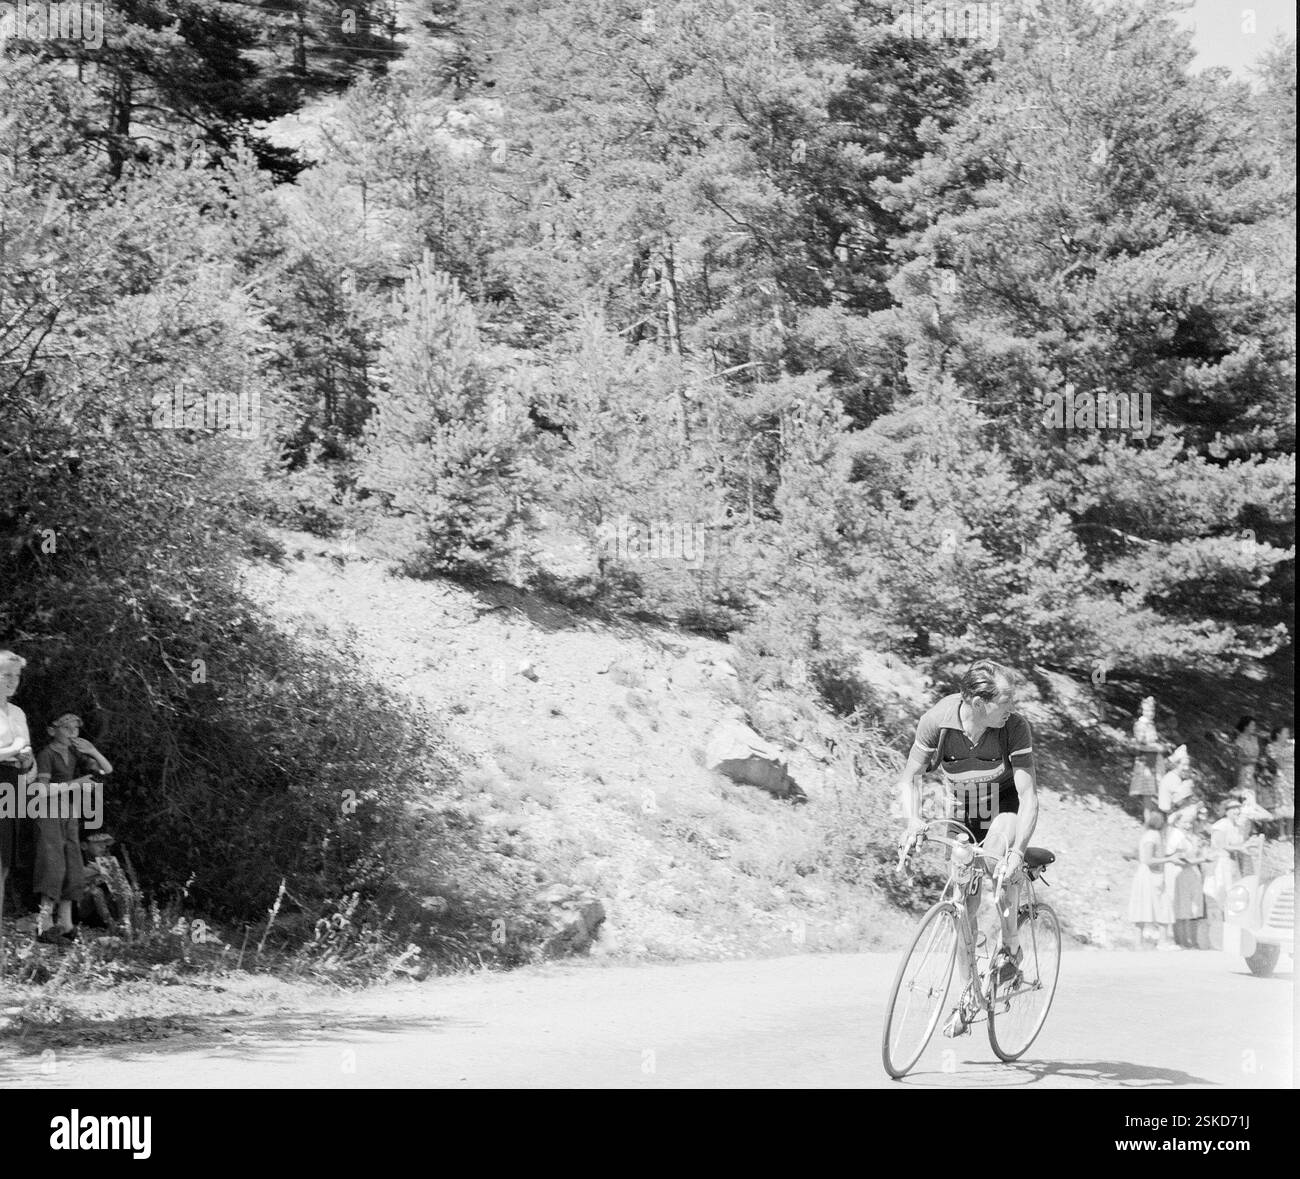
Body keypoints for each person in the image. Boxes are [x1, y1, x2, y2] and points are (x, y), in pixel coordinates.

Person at [895, 659, 1039, 1037]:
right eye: (1005, 700)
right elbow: (910, 778)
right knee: (964, 907)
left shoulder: (1014, 728)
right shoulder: (937, 722)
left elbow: (1028, 796)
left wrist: (1018, 851)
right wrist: (913, 821)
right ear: (977, 701)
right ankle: (970, 992)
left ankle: (1010, 950)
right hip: (961, 813)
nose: (1012, 707)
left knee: (999, 863)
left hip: (1003, 807)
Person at [32, 713, 113, 943]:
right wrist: (77, 783)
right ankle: (44, 924)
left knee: (72, 864)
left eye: (75, 728)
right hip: (47, 812)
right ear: (52, 730)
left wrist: (92, 751)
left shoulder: (75, 754)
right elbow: (41, 790)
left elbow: (106, 770)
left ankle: (65, 925)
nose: (71, 732)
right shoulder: (47, 754)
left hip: (68, 814)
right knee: (53, 865)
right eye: (65, 727)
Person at [0, 650, 36, 933]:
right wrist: (14, 749)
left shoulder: (18, 712)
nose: (14, 681)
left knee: (3, 863)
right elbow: (16, 747)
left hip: (10, 785)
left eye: (17, 676)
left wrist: (25, 760)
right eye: (7, 675)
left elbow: (27, 756)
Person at [1128, 811, 1176, 949]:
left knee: (1149, 905)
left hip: (1151, 874)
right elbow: (1148, 859)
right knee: (1158, 905)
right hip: (1150, 875)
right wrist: (1169, 859)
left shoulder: (1149, 835)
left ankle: (1140, 943)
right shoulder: (1152, 836)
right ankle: (1160, 941)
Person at [1164, 804, 1208, 948]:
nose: (1188, 825)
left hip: (1192, 873)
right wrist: (1203, 859)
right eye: (1185, 822)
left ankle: (1192, 940)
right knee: (1181, 907)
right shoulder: (1176, 837)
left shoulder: (1191, 836)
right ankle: (1181, 940)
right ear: (1178, 823)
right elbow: (1182, 861)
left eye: (1190, 822)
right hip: (1180, 873)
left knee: (1193, 907)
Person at [1128, 697, 1169, 818]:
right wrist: (1155, 748)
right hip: (1145, 761)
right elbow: (1139, 745)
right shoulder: (1140, 725)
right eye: (1147, 710)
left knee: (1151, 791)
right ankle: (1147, 820)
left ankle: (1151, 818)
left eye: (1152, 711)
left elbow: (1152, 742)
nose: (1150, 713)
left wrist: (1159, 747)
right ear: (1143, 711)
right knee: (1147, 792)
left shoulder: (1151, 724)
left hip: (1153, 760)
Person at [1267, 725, 1294, 839]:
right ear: (1278, 734)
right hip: (1280, 777)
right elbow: (1278, 762)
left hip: (1292, 776)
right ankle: (1281, 833)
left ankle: (1290, 832)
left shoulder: (1291, 745)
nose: (1288, 735)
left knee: (1292, 802)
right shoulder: (1271, 746)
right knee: (1280, 802)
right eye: (1285, 733)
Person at [1157, 745, 1194, 814]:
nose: (1186, 768)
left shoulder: (1176, 778)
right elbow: (1178, 802)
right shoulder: (1172, 778)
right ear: (1176, 764)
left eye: (1188, 765)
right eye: (1184, 765)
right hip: (1162, 813)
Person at [1233, 716, 1261, 802]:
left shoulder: (1254, 739)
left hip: (1255, 770)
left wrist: (1259, 762)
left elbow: (1256, 754)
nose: (1254, 727)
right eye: (1252, 725)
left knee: (1254, 793)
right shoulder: (1239, 740)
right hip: (1244, 771)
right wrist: (1254, 760)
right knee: (1246, 793)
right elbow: (1239, 758)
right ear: (1246, 726)